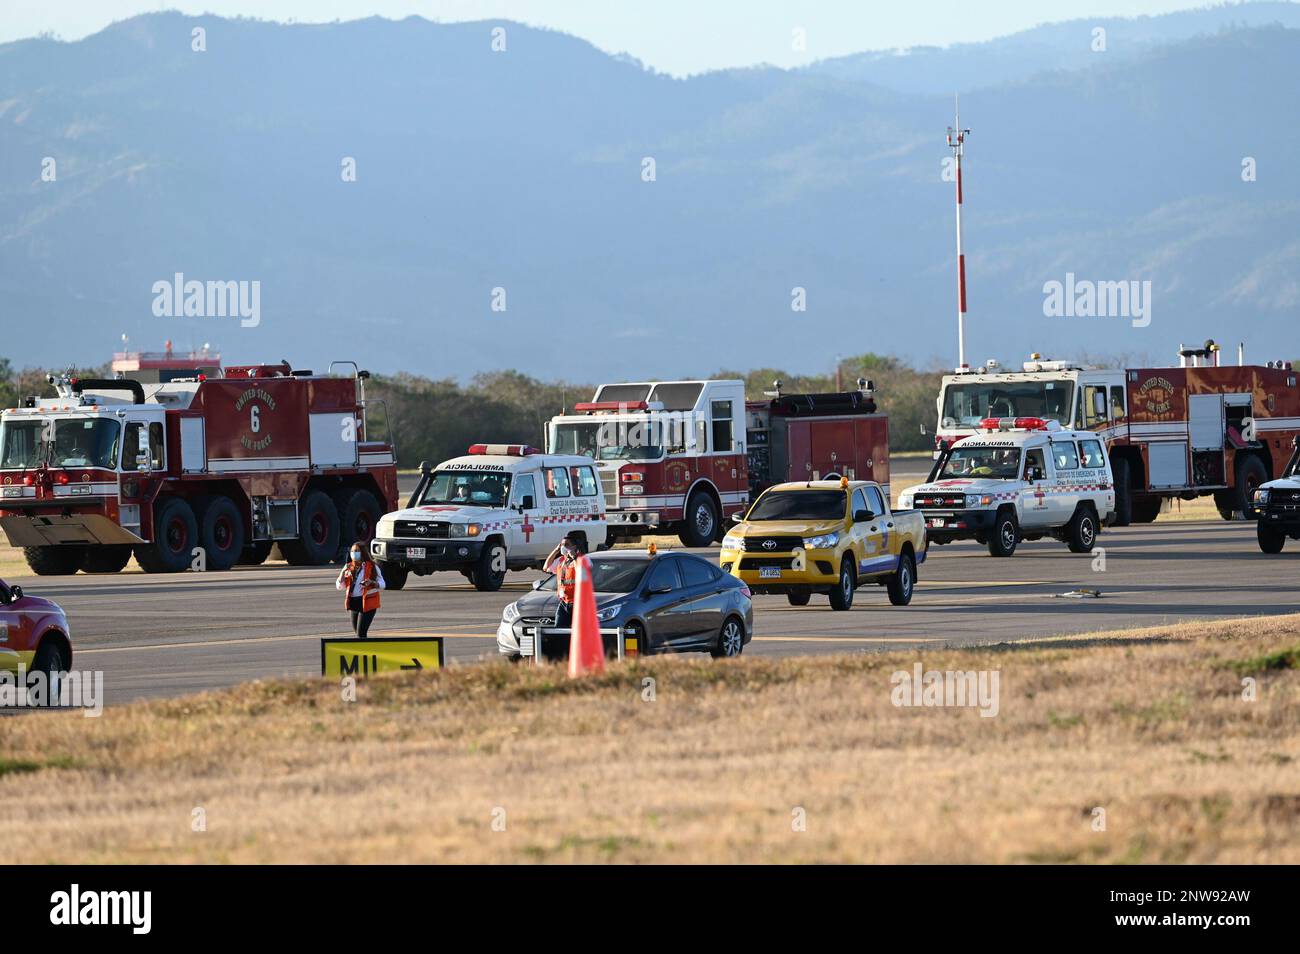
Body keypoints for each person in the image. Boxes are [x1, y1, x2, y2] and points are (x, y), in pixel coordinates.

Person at [335, 540, 386, 638]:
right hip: (354, 602)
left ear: (362, 553)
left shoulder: (372, 567)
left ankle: (366, 652)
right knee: (357, 633)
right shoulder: (349, 567)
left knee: (361, 634)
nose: (353, 553)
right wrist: (342, 574)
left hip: (368, 602)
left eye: (356, 551)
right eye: (352, 551)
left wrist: (372, 583)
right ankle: (366, 650)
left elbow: (383, 584)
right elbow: (340, 586)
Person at [545, 536, 581, 633]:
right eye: (562, 545)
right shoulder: (561, 560)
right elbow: (546, 567)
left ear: (574, 547)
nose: (563, 547)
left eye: (566, 545)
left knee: (577, 631)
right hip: (564, 602)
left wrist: (574, 558)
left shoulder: (581, 559)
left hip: (577, 603)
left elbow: (581, 573)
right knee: (558, 630)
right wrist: (556, 550)